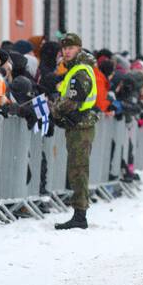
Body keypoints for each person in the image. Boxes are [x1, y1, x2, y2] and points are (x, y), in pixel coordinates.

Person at [51, 33, 99, 230]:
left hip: (81, 126)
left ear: (79, 48)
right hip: (78, 126)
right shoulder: (76, 69)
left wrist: (55, 109)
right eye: (64, 48)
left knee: (78, 169)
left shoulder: (79, 71)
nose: (66, 51)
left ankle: (80, 215)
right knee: (77, 169)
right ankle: (79, 212)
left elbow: (72, 101)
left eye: (71, 48)